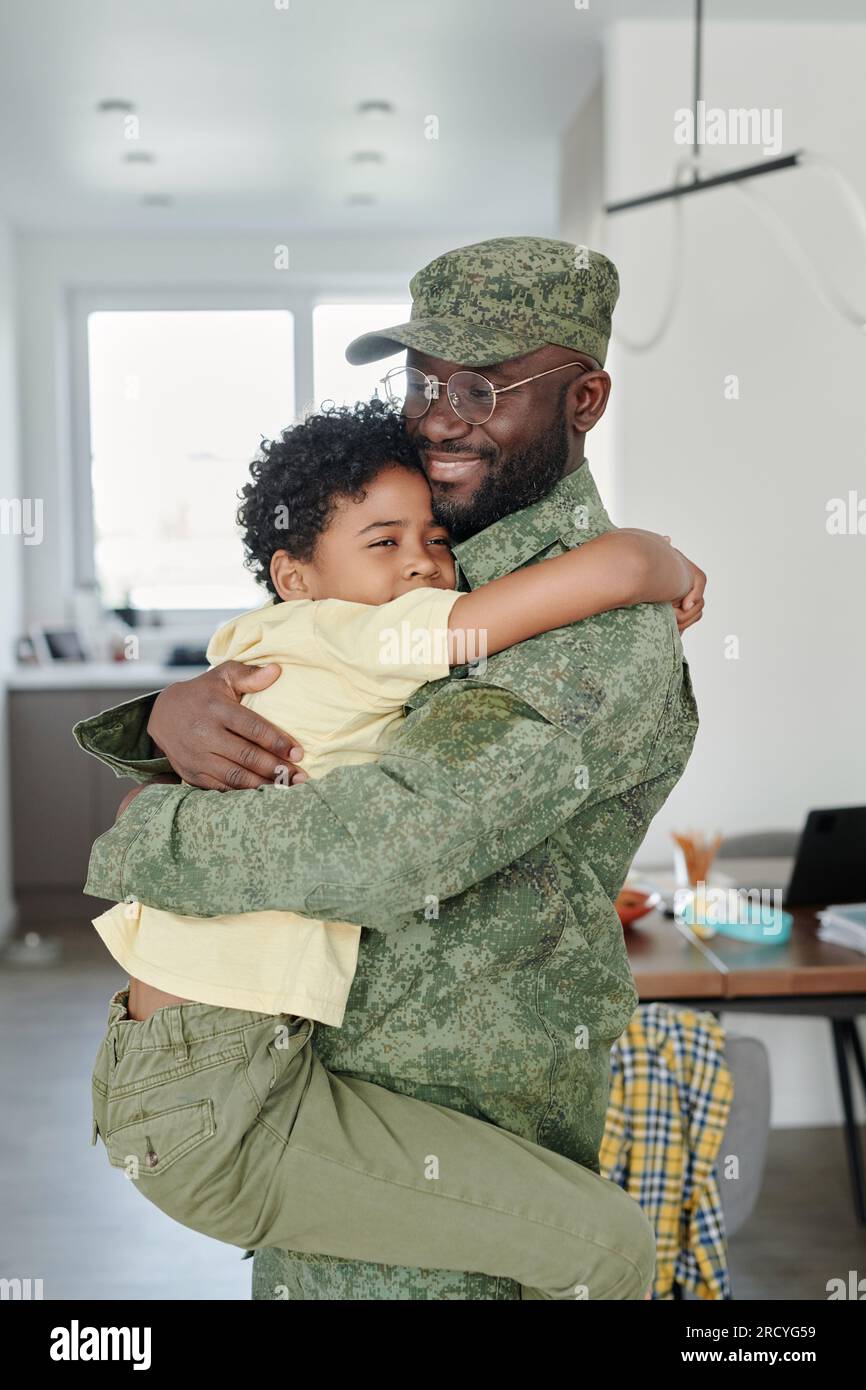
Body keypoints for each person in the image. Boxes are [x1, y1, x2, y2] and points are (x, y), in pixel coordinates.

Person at [74, 236, 702, 1301]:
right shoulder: (419, 573)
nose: (438, 413)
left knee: (599, 1251)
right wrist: (177, 716)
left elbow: (386, 845)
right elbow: (305, 694)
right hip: (296, 1093)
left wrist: (147, 824)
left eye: (482, 384)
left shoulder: (588, 632)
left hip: (446, 1129)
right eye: (418, 380)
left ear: (584, 398)